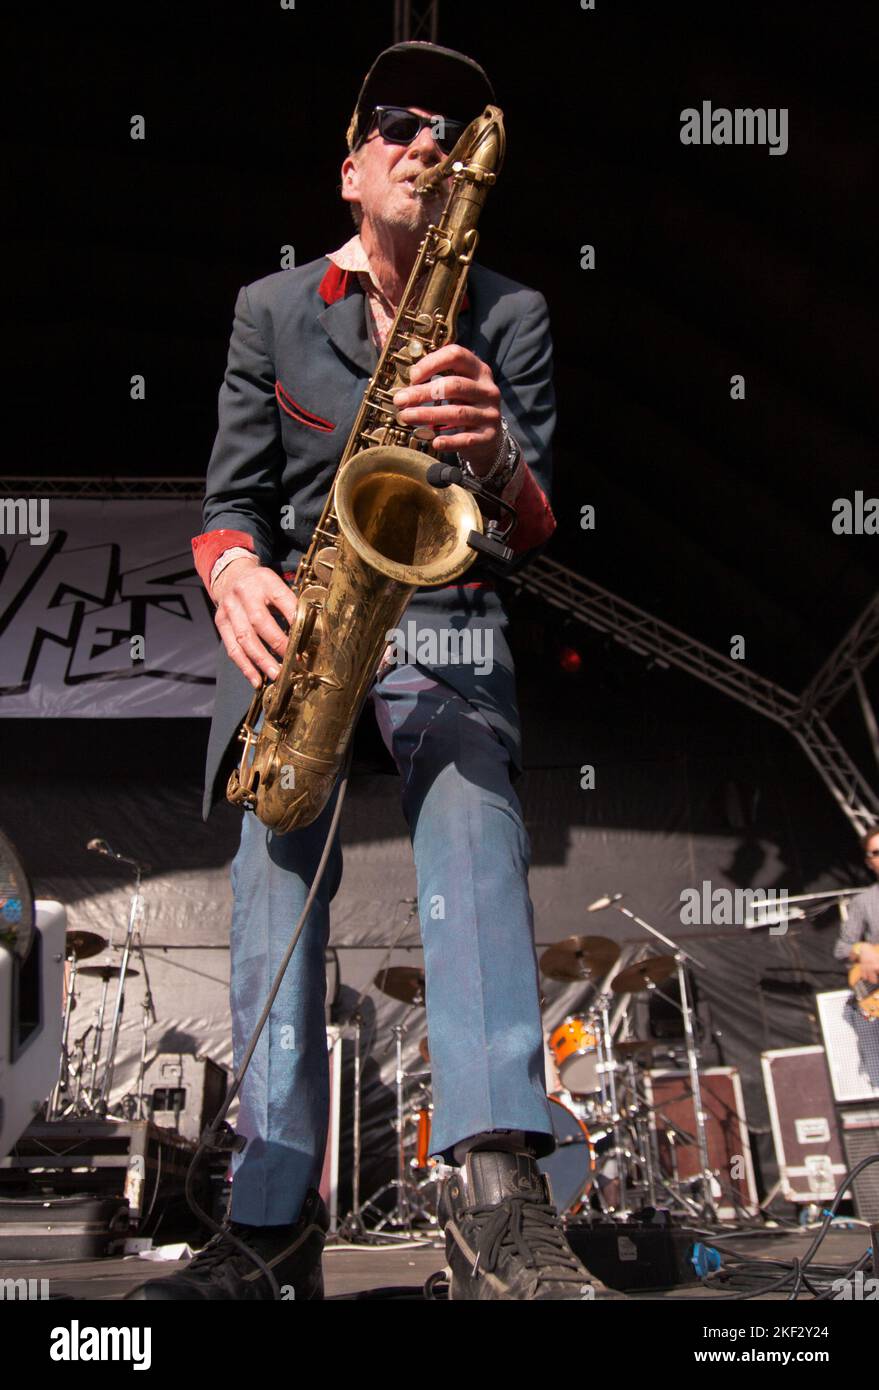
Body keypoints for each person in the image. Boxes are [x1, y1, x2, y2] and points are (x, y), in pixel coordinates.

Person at [129, 41, 621, 1303]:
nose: (425, 140)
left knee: (473, 822)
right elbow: (228, 507)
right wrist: (237, 575)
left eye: (445, 129)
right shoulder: (270, 309)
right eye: (397, 122)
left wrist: (499, 451)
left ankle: (500, 1185)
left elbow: (532, 523)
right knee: (268, 867)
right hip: (302, 621)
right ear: (351, 167)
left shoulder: (509, 314)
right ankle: (274, 1212)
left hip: (443, 611)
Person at [835, 825, 879, 986]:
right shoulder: (862, 901)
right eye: (876, 853)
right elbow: (842, 949)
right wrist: (863, 949)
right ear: (869, 863)